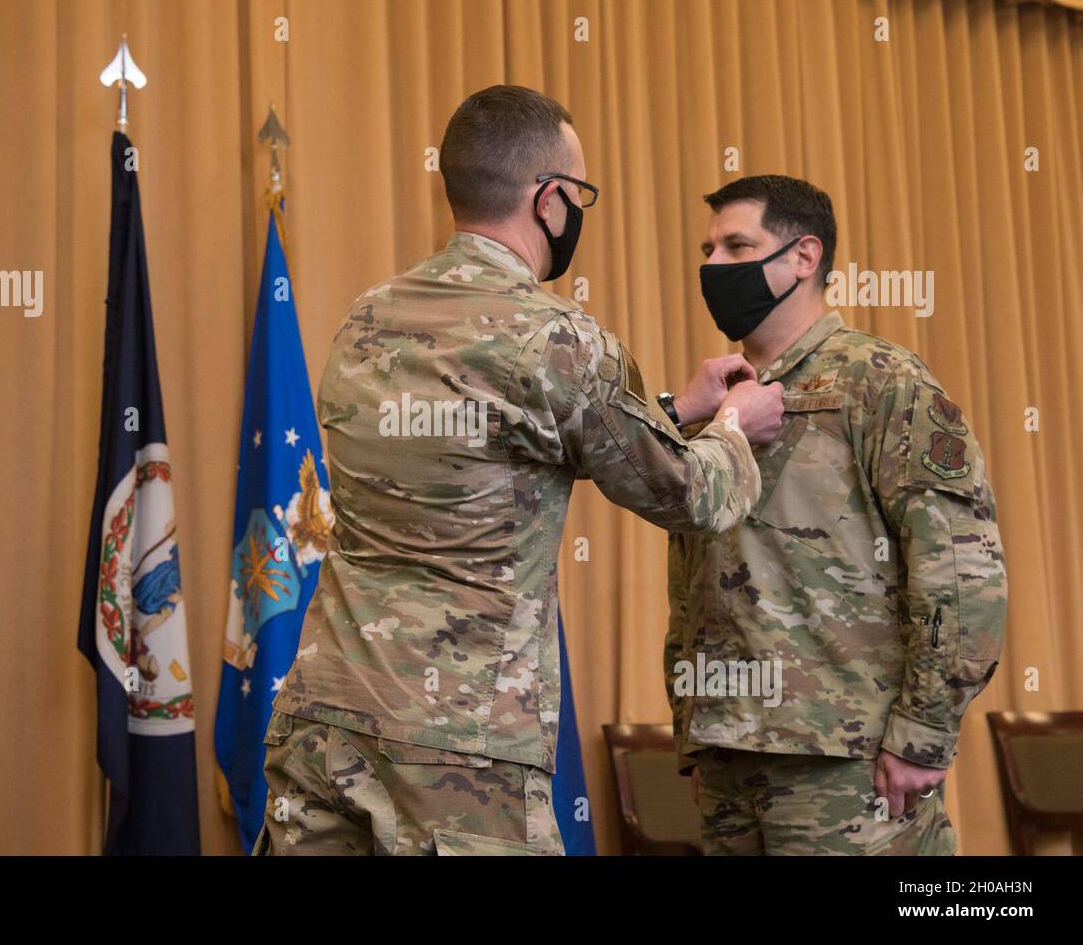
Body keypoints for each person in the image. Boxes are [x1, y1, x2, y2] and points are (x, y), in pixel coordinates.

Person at [250, 85, 783, 856]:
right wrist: (734, 426)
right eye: (580, 194)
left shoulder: (366, 319)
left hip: (322, 716)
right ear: (551, 199)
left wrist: (667, 405)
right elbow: (695, 495)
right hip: (457, 748)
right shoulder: (554, 337)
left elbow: (481, 445)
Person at [664, 174, 1007, 855]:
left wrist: (924, 733)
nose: (713, 267)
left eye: (737, 245)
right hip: (729, 747)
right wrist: (694, 731)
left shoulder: (881, 380)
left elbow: (963, 570)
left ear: (804, 256)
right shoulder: (718, 409)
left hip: (846, 756)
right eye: (707, 250)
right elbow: (692, 579)